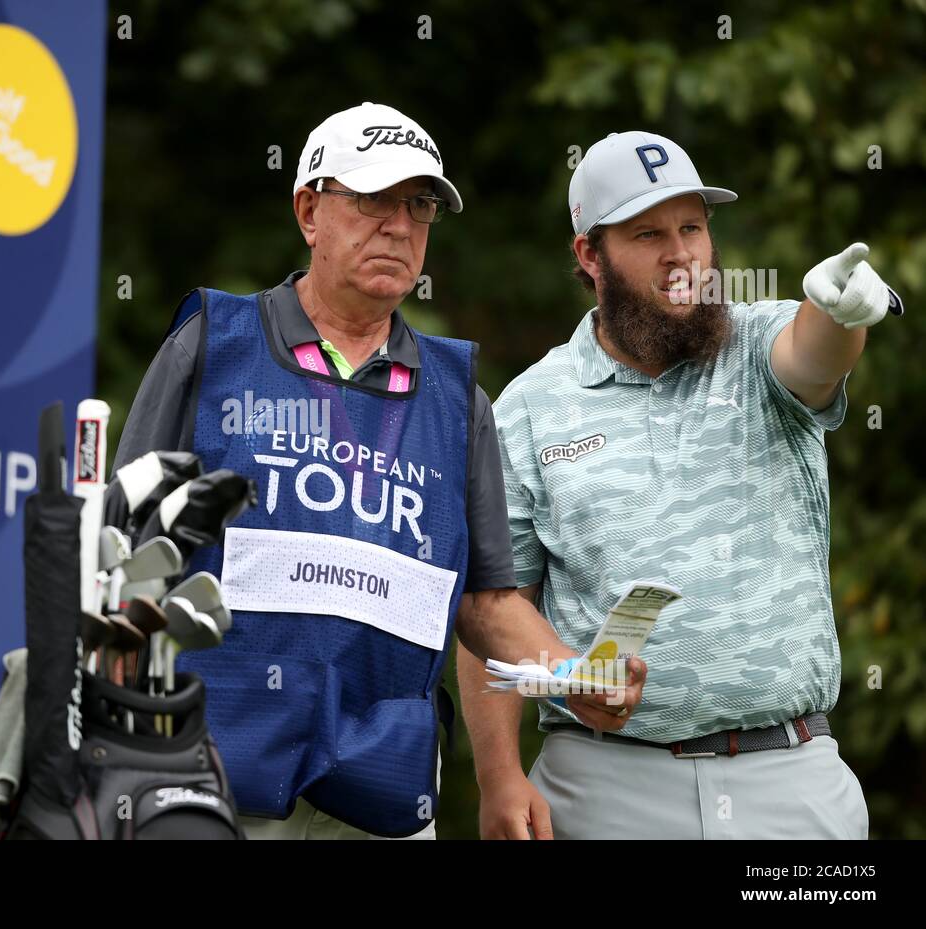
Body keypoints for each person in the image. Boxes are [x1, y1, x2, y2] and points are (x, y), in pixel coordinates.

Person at [109, 103, 645, 840]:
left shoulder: (459, 400)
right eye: (372, 199)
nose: (399, 224)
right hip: (204, 773)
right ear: (309, 210)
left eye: (419, 204)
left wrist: (572, 671)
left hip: (379, 791)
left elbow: (485, 603)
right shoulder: (215, 344)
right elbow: (121, 548)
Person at [458, 130, 899, 840]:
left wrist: (839, 315)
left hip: (789, 779)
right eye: (648, 233)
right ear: (589, 255)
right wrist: (500, 774)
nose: (682, 254)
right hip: (600, 785)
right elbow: (493, 604)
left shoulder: (758, 342)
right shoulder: (530, 404)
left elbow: (813, 359)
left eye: (692, 226)